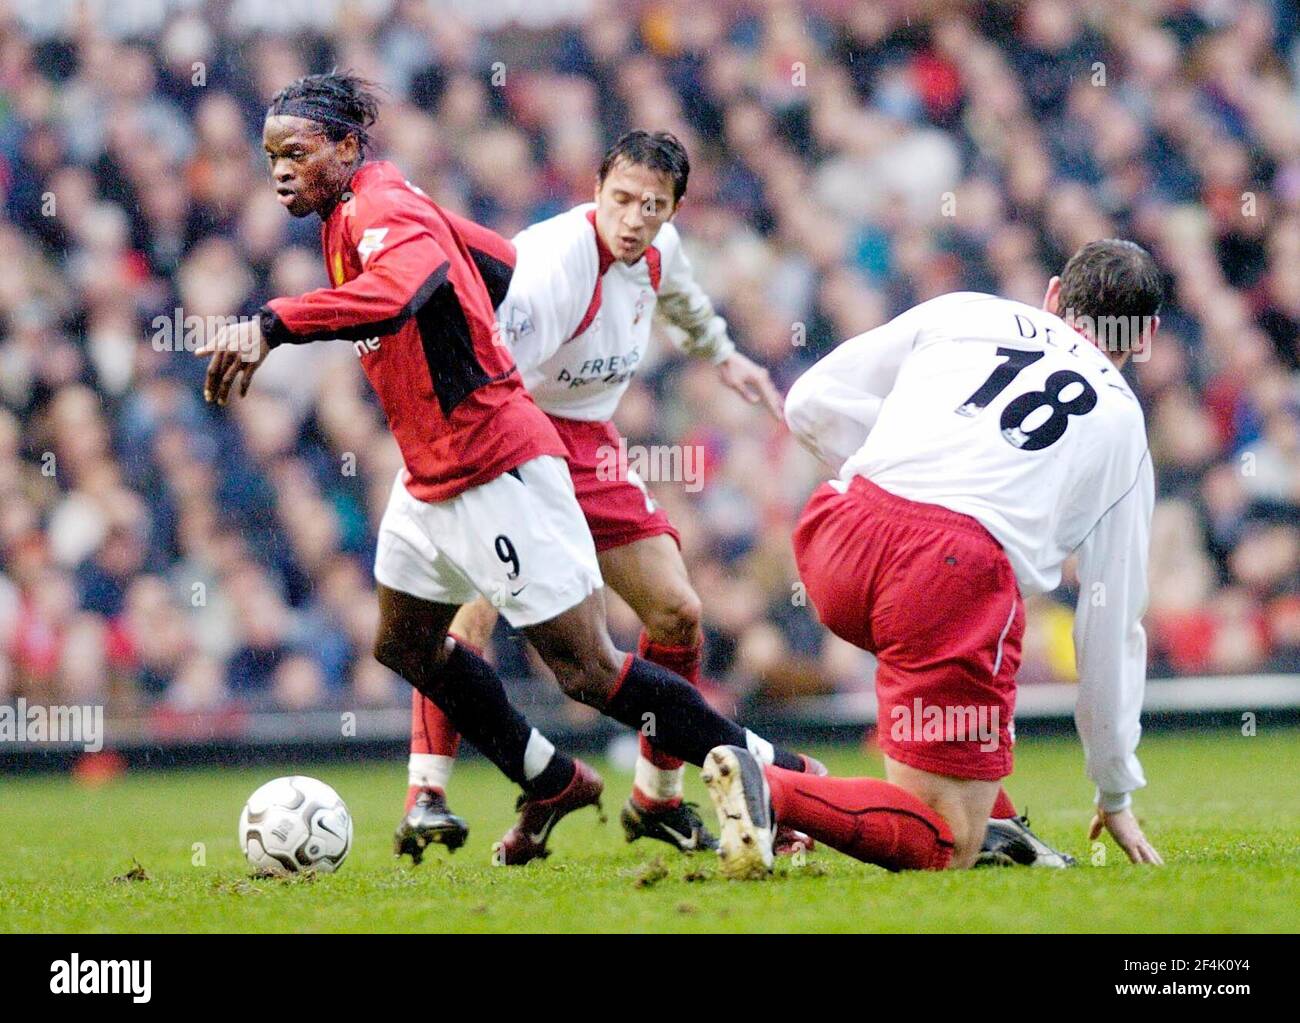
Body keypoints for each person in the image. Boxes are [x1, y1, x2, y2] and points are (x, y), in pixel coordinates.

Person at [197, 73, 815, 866]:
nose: (281, 169)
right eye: (271, 156)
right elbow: (489, 258)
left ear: (348, 148)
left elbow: (409, 283)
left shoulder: (376, 206)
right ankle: (549, 777)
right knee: (405, 642)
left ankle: (774, 772)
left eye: (298, 152)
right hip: (437, 469)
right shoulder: (363, 209)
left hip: (494, 460)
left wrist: (278, 321)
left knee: (589, 669)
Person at [698, 240, 1167, 877]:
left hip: (839, 533)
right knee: (946, 840)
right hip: (946, 577)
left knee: (954, 757)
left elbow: (807, 400)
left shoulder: (969, 311)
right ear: (1145, 340)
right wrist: (1114, 785)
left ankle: (995, 819)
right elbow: (1110, 623)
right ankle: (773, 789)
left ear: (1055, 295)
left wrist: (891, 474)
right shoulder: (1122, 427)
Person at [396, 130, 792, 862]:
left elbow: (685, 303)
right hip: (511, 435)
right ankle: (428, 794)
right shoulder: (551, 268)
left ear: (673, 210)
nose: (635, 218)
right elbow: (487, 372)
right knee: (473, 612)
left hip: (590, 442)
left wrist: (726, 357)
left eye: (654, 206)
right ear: (596, 189)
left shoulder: (661, 254)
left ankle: (658, 802)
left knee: (678, 612)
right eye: (622, 199)